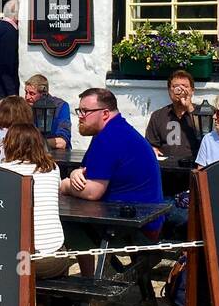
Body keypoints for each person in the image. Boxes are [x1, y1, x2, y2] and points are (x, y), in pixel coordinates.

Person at [61, 88, 165, 271]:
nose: (80, 116)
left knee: (67, 220)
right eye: (80, 111)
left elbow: (93, 191)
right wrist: (75, 173)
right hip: (138, 219)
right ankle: (97, 277)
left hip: (137, 227)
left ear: (105, 113)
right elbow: (86, 173)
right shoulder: (114, 130)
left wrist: (65, 185)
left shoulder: (109, 138)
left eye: (85, 111)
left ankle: (89, 284)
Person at [0, 124, 71, 306]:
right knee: (36, 270)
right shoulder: (52, 169)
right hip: (55, 258)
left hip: (21, 260)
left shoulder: (2, 172)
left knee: (21, 269)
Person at [145, 70, 202, 161]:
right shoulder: (158, 116)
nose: (181, 90)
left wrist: (189, 107)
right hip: (167, 168)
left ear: (192, 91)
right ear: (169, 90)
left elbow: (205, 133)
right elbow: (150, 144)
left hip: (193, 167)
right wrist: (152, 149)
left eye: (185, 86)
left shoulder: (202, 114)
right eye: (175, 86)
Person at [23, 75, 71, 151]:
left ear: (43, 94)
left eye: (32, 94)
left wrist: (34, 143)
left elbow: (62, 142)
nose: (27, 97)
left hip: (57, 155)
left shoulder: (60, 106)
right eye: (26, 92)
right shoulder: (25, 107)